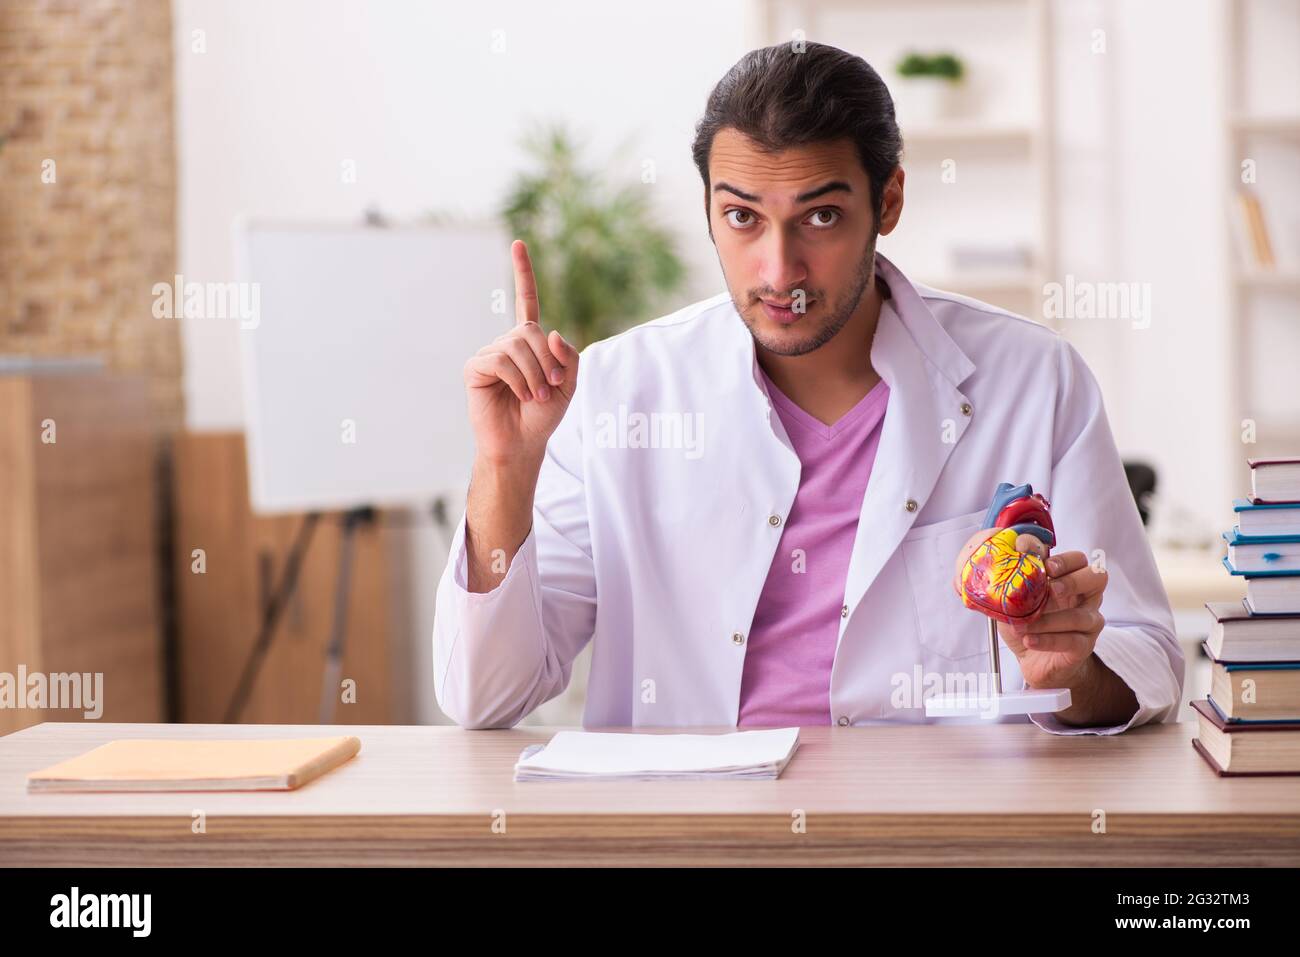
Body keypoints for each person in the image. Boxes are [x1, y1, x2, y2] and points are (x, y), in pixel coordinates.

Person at [433, 41, 1183, 732]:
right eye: (742, 218)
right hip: (691, 830)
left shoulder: (1034, 380)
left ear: (887, 201)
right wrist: (505, 467)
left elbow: (1149, 660)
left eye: (820, 216)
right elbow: (484, 695)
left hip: (936, 830)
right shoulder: (615, 391)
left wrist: (1074, 669)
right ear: (708, 211)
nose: (777, 269)